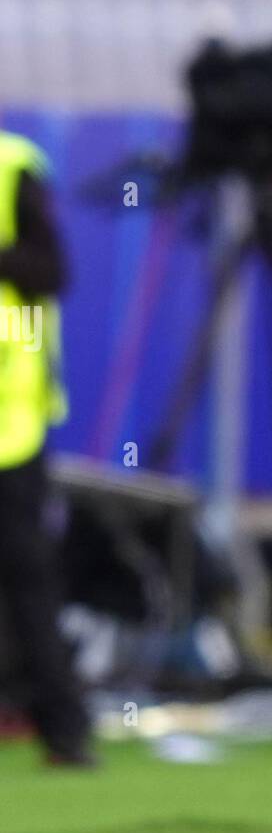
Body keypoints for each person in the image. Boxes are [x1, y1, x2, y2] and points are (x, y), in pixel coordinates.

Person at [0, 129, 94, 766]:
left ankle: (64, 732)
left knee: (29, 581)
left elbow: (51, 271)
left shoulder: (14, 165)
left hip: (12, 426)